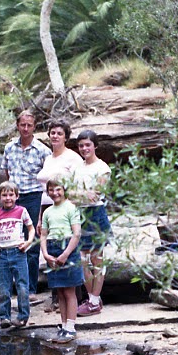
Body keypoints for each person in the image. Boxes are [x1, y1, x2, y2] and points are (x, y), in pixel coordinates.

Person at [1, 111, 51, 298]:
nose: (26, 128)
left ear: (35, 127)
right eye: (23, 125)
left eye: (29, 125)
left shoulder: (42, 150)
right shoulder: (9, 148)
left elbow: (47, 176)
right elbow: (7, 172)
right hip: (13, 198)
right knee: (11, 239)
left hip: (34, 197)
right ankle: (12, 285)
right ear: (17, 125)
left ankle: (30, 288)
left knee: (33, 239)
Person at [39, 179, 84, 342]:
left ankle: (71, 327)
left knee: (69, 291)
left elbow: (76, 233)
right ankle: (64, 325)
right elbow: (43, 234)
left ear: (64, 190)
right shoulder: (47, 212)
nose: (54, 193)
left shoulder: (71, 208)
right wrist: (45, 253)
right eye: (51, 190)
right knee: (59, 290)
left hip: (68, 249)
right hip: (52, 248)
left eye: (58, 189)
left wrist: (65, 254)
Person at [74, 129, 112, 316]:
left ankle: (94, 300)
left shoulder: (102, 168)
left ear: (95, 146)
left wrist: (76, 194)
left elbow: (94, 195)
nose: (84, 148)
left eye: (87, 145)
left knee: (97, 259)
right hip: (79, 215)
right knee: (81, 260)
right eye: (81, 145)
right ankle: (92, 298)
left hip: (96, 213)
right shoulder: (77, 167)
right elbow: (67, 193)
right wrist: (77, 194)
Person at [0, 181, 35, 329]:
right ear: (0, 197)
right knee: (3, 286)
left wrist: (28, 242)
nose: (8, 198)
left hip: (18, 252)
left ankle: (22, 316)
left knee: (22, 286)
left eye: (11, 195)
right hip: (3, 254)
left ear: (16, 196)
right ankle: (5, 317)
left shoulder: (21, 211)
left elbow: (31, 228)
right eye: (4, 195)